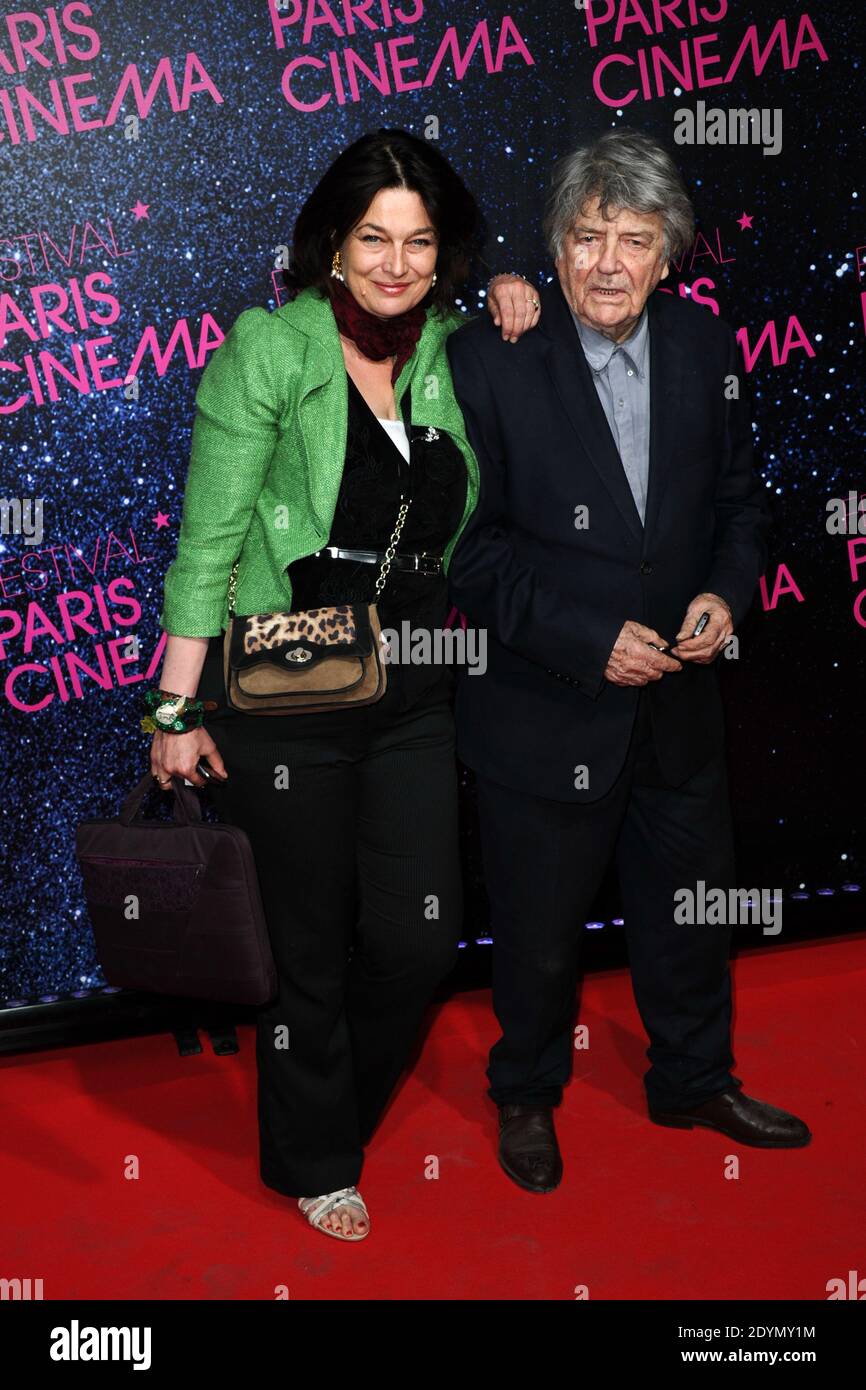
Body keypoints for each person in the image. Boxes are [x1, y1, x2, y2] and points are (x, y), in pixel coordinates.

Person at [147, 128, 540, 1241]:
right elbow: (207, 542)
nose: (394, 262)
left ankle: (327, 1102)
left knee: (419, 939)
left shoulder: (450, 352)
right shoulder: (270, 349)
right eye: (373, 236)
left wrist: (523, 297)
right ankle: (315, 1154)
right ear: (332, 241)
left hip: (412, 684)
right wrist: (174, 708)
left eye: (418, 241)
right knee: (307, 946)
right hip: (281, 689)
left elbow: (545, 386)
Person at [445, 129, 811, 1195]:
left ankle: (693, 1077)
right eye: (586, 234)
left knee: (690, 913)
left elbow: (739, 506)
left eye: (633, 239)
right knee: (538, 932)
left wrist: (723, 594)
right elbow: (466, 553)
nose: (606, 261)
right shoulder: (486, 358)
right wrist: (584, 638)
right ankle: (524, 1092)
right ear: (554, 244)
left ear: (668, 254)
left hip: (681, 708)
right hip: (542, 707)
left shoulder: (705, 348)